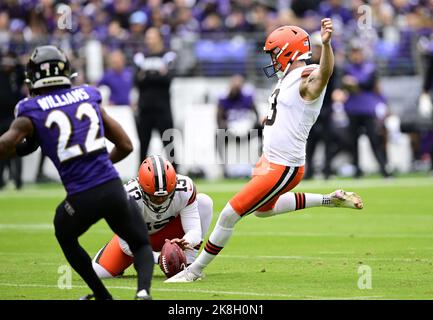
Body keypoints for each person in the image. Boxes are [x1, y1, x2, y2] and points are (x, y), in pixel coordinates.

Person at [166, 19, 363, 283]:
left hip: (284, 165)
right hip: (270, 159)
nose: (272, 59)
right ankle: (331, 199)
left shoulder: (307, 76)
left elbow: (324, 74)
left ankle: (195, 270)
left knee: (229, 214)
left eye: (274, 53)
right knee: (263, 210)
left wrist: (326, 46)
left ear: (287, 51)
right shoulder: (288, 80)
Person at [0, 45, 154, 300]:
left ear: (33, 79)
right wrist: (101, 168)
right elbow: (126, 145)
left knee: (64, 233)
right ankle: (143, 293)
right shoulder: (88, 95)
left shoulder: (30, 110)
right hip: (113, 188)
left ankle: (102, 296)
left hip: (80, 198)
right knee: (140, 243)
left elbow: (8, 146)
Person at [92, 155, 213, 278]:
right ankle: (136, 260)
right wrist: (158, 258)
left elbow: (194, 230)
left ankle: (189, 262)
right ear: (142, 189)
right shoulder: (126, 197)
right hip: (136, 239)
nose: (160, 200)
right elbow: (126, 243)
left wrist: (185, 241)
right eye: (154, 196)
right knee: (99, 273)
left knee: (204, 202)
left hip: (168, 234)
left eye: (165, 195)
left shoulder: (184, 189)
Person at [342, 41, 391, 178]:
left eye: (358, 52)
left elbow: (368, 84)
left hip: (367, 109)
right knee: (353, 141)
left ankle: (384, 169)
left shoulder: (370, 68)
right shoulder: (347, 68)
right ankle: (357, 171)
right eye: (354, 52)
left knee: (374, 140)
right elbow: (345, 84)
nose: (356, 55)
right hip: (352, 109)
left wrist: (355, 83)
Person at [134, 27, 177, 167]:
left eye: (152, 37)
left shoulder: (168, 56)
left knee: (169, 144)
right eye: (147, 37)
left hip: (162, 108)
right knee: (143, 145)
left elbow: (168, 80)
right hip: (145, 108)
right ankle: (141, 178)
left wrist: (146, 76)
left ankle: (176, 176)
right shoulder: (140, 57)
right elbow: (136, 81)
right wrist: (158, 74)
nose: (149, 40)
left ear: (159, 38)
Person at [216, 74, 262, 178]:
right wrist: (228, 127)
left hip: (247, 130)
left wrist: (252, 125)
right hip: (231, 131)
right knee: (218, 135)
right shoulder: (224, 98)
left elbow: (257, 115)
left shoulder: (248, 97)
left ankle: (261, 163)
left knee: (263, 131)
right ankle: (224, 169)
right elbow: (219, 119)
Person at [0, 52, 25, 190]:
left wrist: (18, 63)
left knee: (17, 150)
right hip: (1, 119)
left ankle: (18, 181)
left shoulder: (16, 75)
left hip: (14, 119)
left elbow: (25, 73)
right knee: (2, 149)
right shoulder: (2, 76)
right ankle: (1, 181)